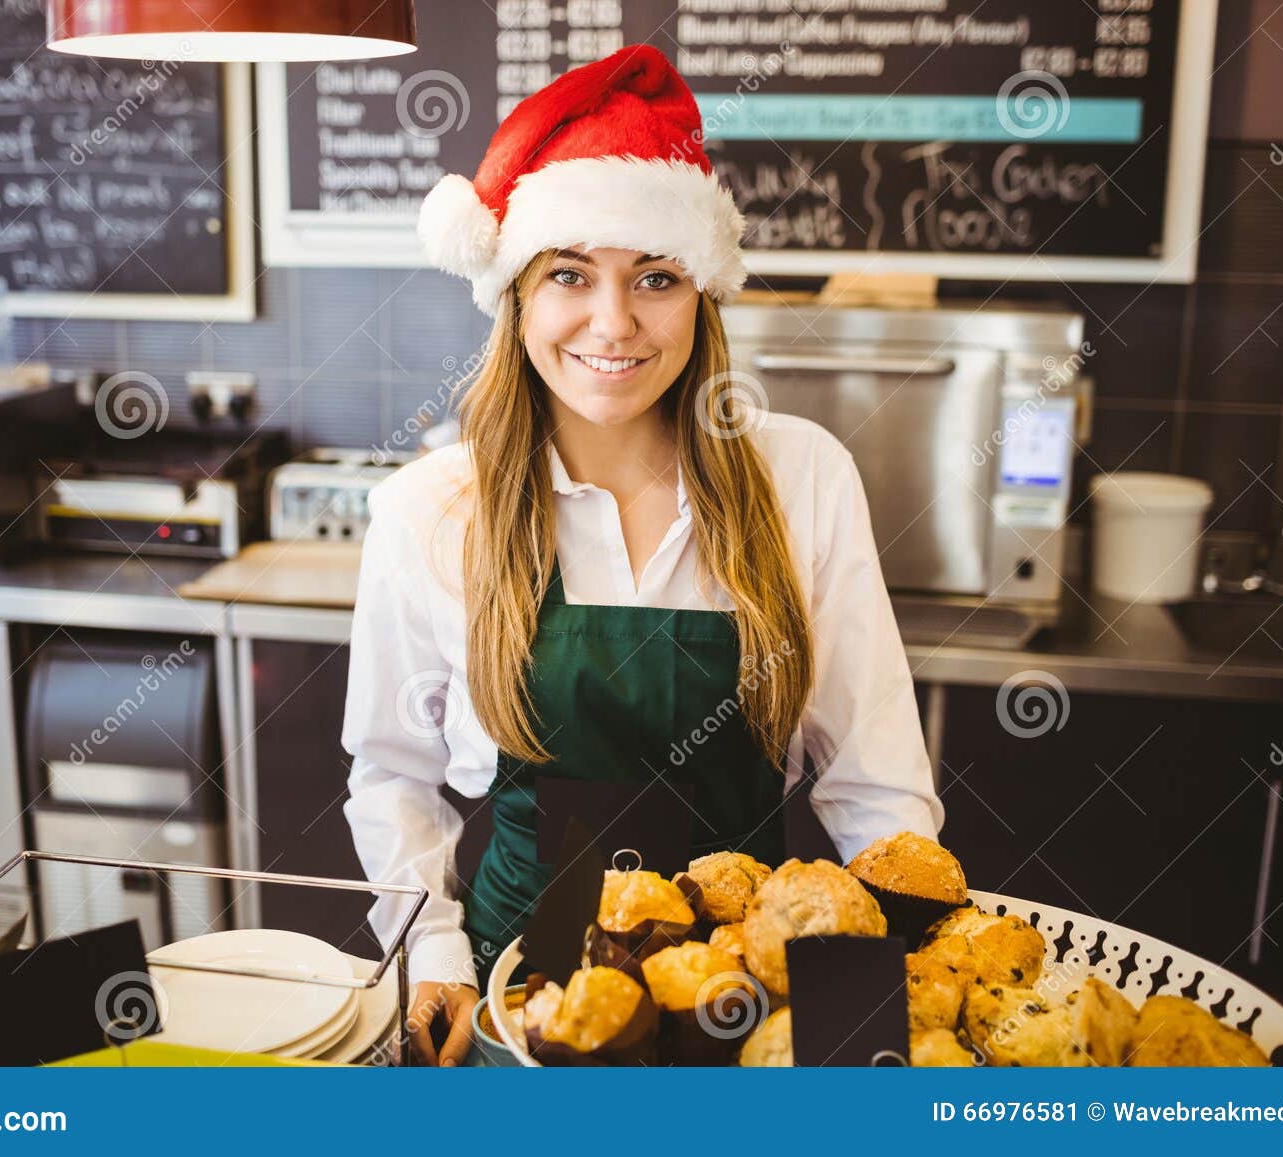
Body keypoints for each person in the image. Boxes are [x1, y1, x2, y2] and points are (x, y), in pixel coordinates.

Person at [341, 44, 942, 1067]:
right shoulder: (430, 509)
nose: (612, 323)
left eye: (654, 278)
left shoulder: (801, 478)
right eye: (569, 274)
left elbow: (878, 788)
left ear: (699, 296)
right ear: (517, 298)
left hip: (752, 997)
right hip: (512, 995)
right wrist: (432, 949)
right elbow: (392, 772)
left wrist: (898, 988)